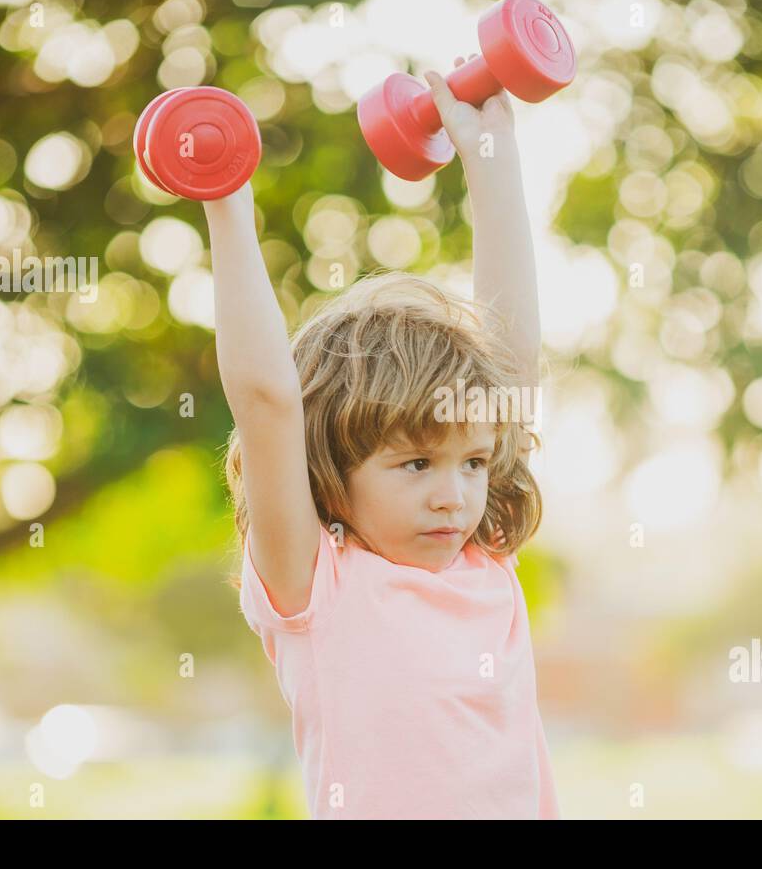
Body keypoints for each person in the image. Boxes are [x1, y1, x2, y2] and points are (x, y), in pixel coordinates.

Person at [209, 60, 559, 819]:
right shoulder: (315, 586)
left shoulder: (483, 557)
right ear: (331, 469)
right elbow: (267, 401)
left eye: (471, 463)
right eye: (414, 464)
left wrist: (490, 152)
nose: (455, 495)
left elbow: (511, 362)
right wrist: (226, 201)